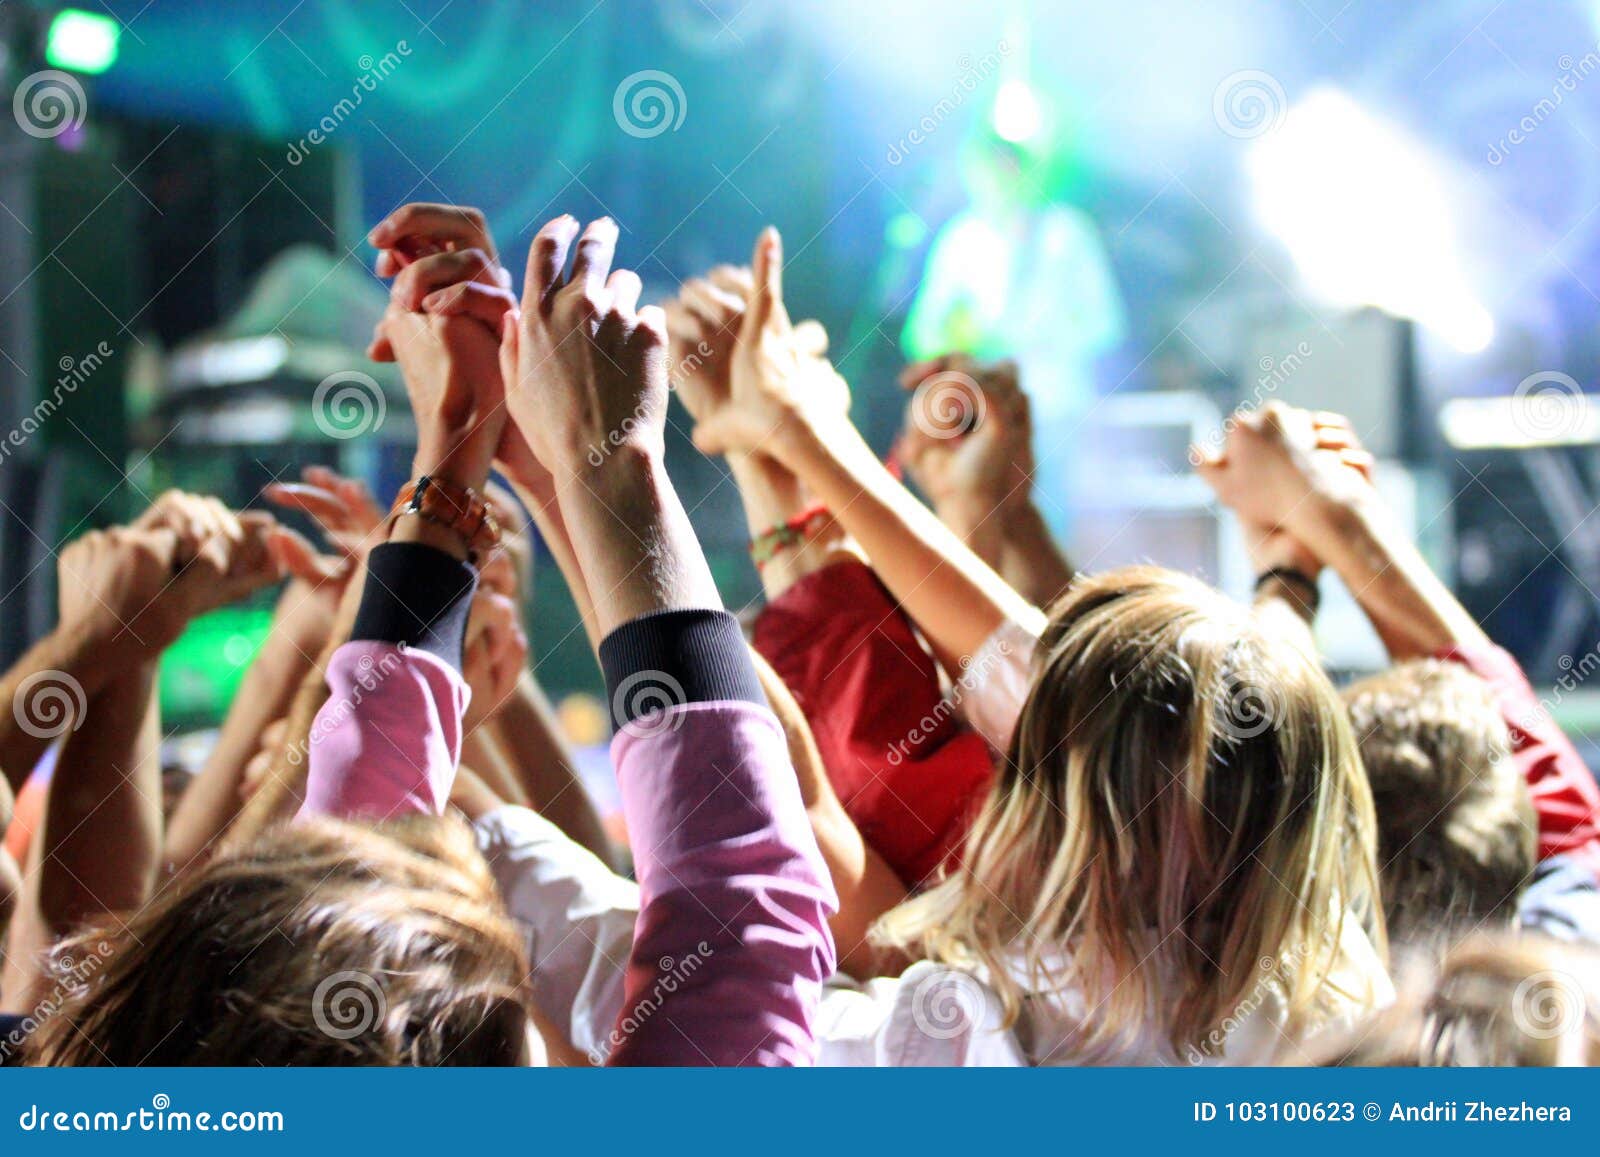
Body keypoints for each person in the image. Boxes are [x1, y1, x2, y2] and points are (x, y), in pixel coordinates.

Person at [669, 227, 1391, 1065]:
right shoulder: (1329, 974)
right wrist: (1290, 573)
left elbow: (999, 694)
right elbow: (1094, 682)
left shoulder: (986, 1018)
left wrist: (779, 445)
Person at [1195, 403, 1600, 946]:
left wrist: (1300, 556)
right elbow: (1556, 822)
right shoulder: (1576, 960)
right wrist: (1334, 513)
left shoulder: (1251, 982)